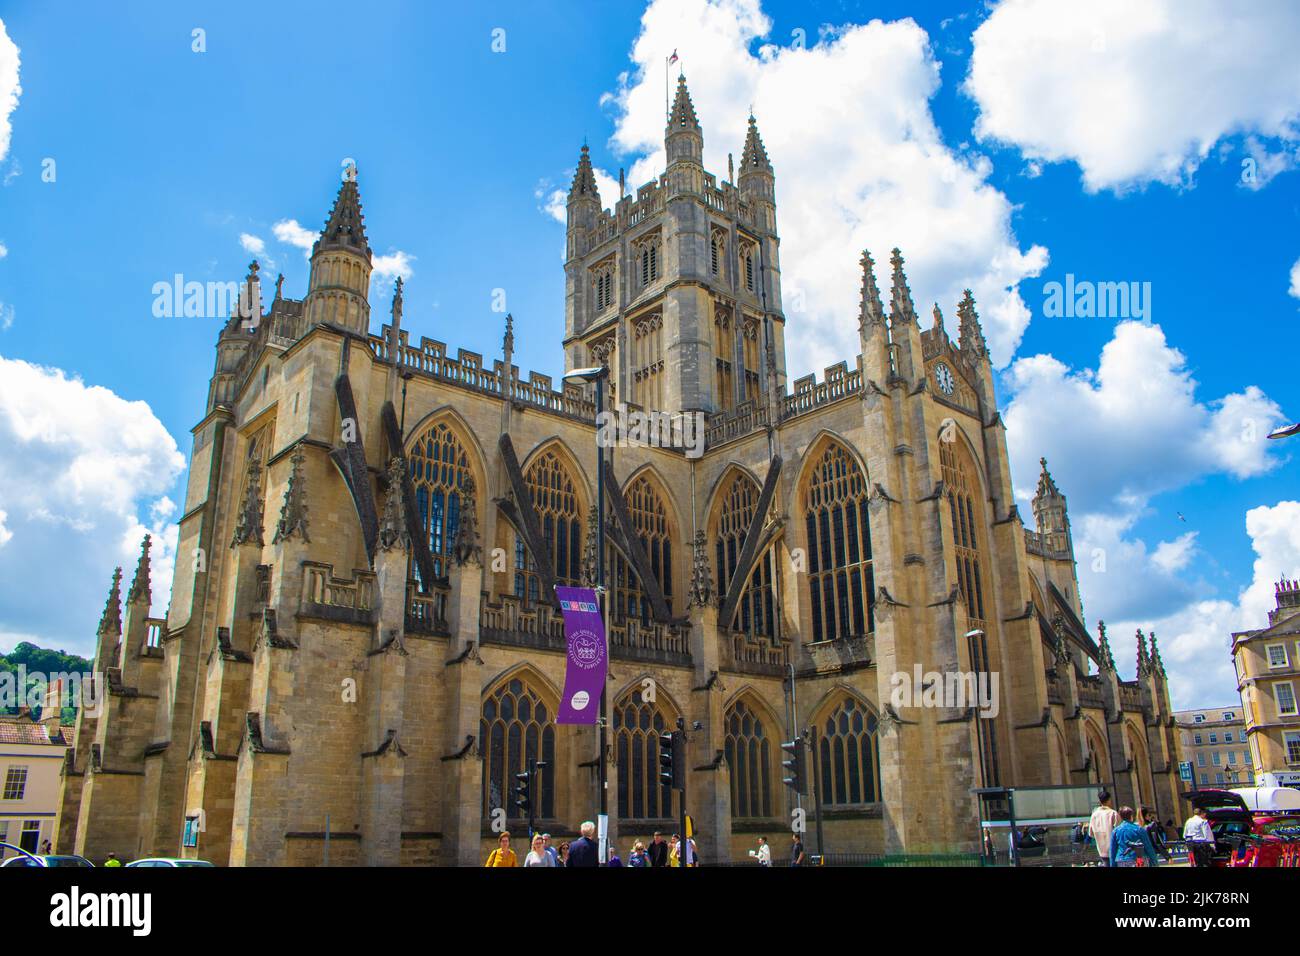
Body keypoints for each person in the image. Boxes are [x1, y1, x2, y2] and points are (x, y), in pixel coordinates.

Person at [1087, 790, 1120, 867]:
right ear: (1109, 800)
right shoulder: (1113, 813)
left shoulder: (1094, 815)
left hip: (1101, 850)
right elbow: (1119, 832)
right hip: (1114, 849)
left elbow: (1091, 834)